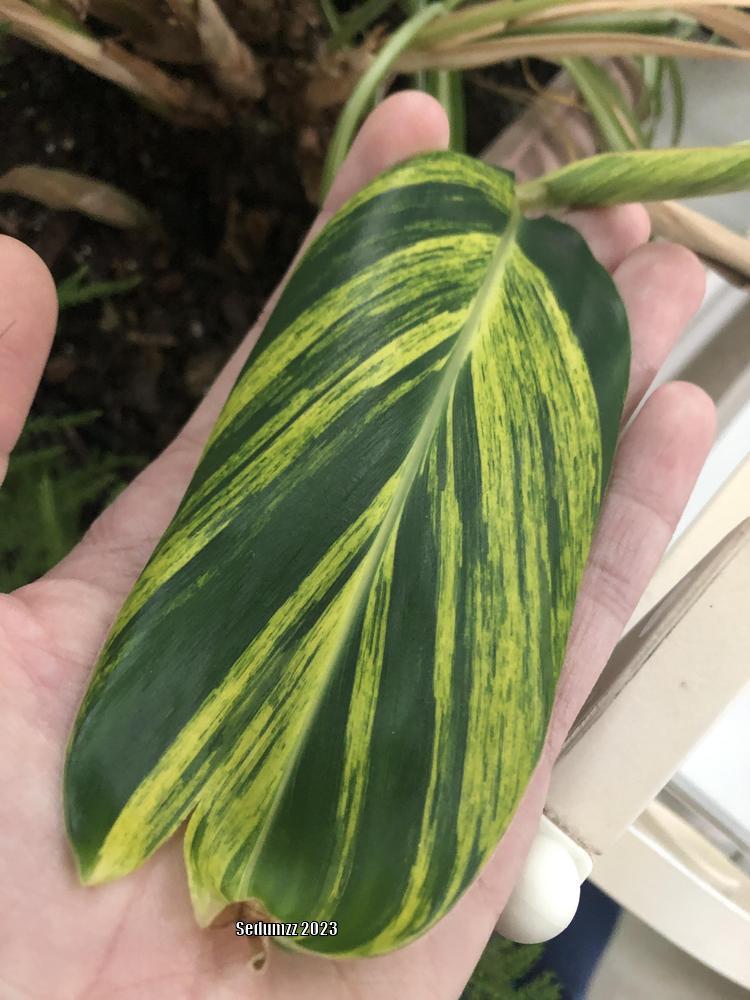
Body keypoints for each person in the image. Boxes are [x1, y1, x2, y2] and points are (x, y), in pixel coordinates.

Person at [0, 92, 714, 999]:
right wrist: (281, 925)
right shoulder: (337, 910)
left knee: (311, 919)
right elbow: (315, 927)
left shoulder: (328, 909)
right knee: (318, 920)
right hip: (328, 908)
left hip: (317, 908)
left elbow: (307, 926)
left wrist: (274, 925)